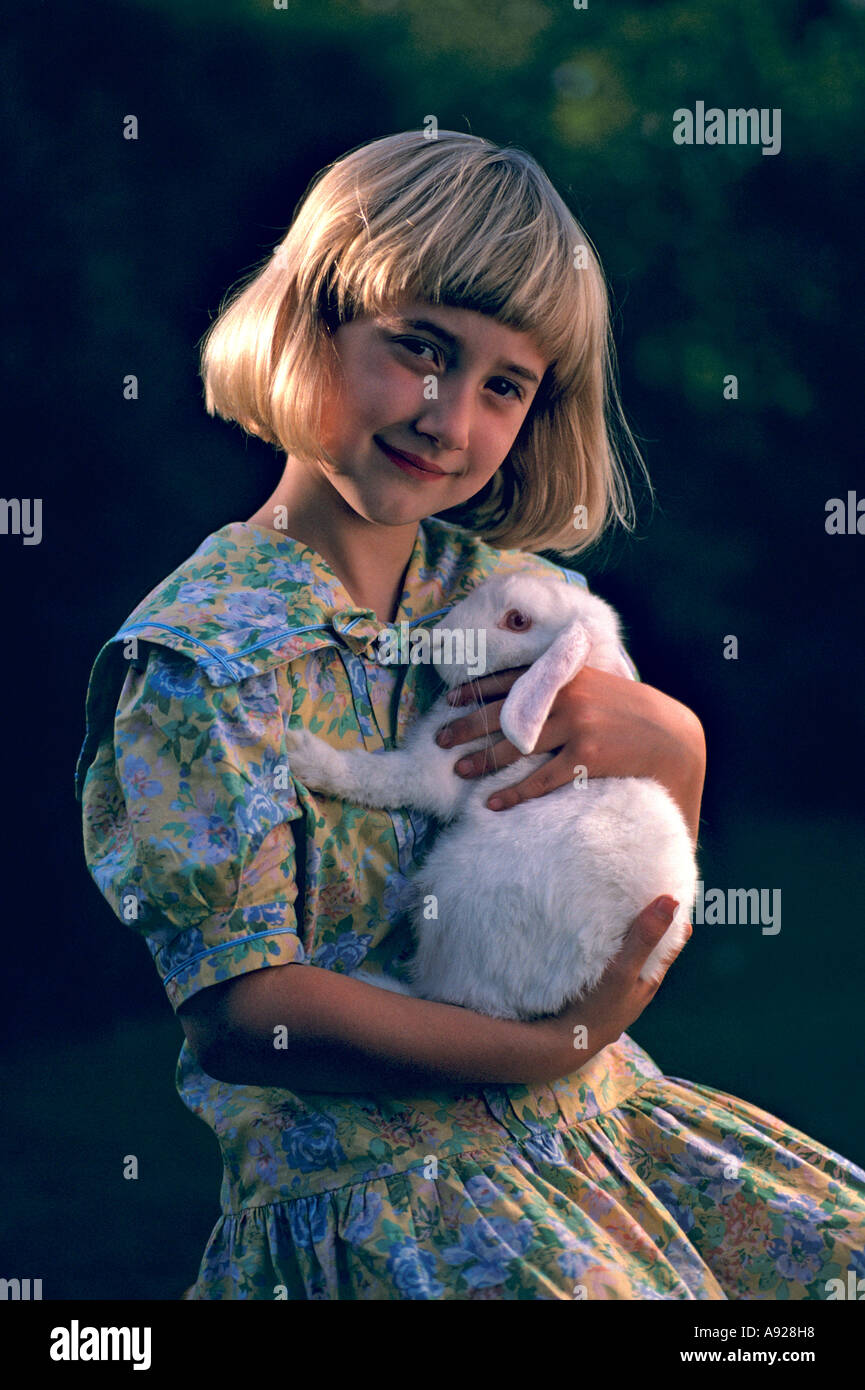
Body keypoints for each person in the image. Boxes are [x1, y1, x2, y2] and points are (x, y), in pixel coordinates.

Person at [76, 130, 865, 1300]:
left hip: (600, 1133)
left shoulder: (503, 596)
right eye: (419, 350)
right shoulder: (206, 656)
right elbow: (246, 1013)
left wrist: (680, 749)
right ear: (309, 321)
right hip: (393, 1216)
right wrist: (543, 1051)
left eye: (504, 385)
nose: (448, 418)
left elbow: (625, 896)